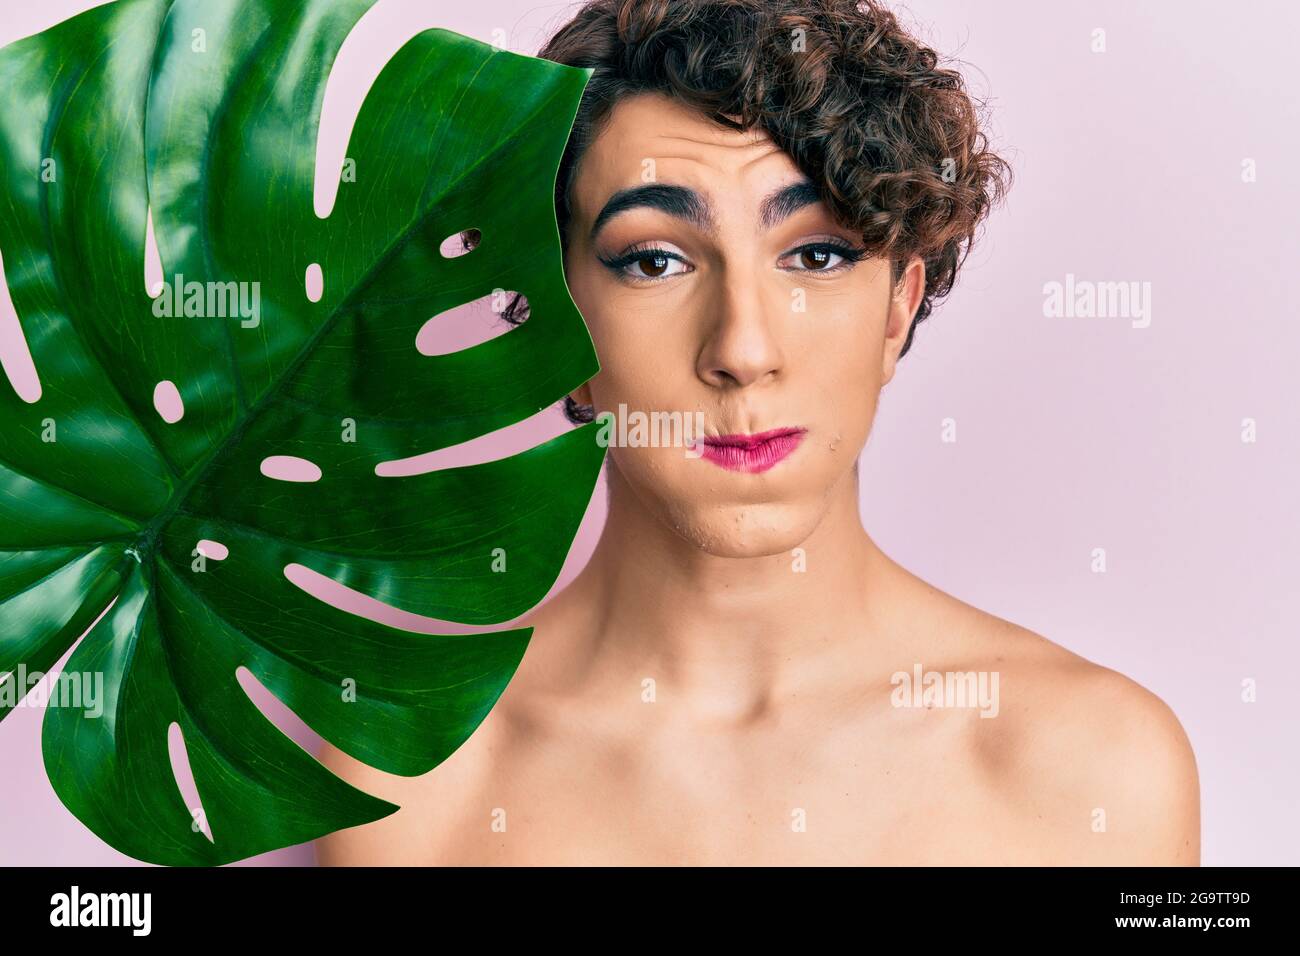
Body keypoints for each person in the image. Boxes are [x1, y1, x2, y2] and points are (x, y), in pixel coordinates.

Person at [316, 0, 1199, 865]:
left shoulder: (1093, 773)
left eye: (816, 255)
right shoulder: (418, 778)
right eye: (654, 259)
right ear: (554, 319)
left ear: (898, 309)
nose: (743, 349)